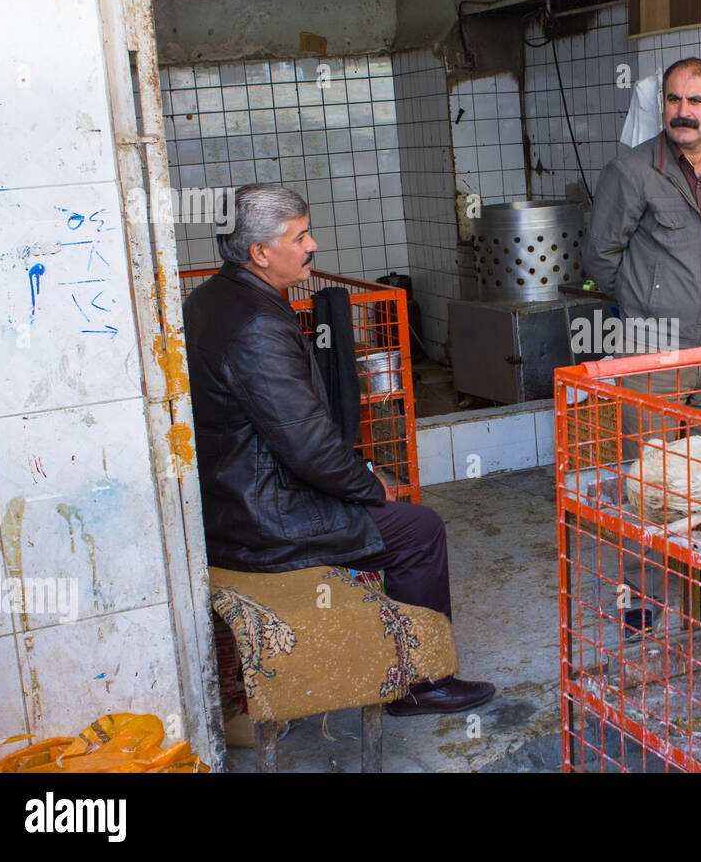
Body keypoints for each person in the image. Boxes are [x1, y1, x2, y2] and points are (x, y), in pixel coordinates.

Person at [183, 184, 494, 716]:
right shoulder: (256, 324)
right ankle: (422, 682)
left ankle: (390, 655)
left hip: (232, 497)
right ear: (260, 253)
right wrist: (370, 485)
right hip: (262, 520)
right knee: (418, 530)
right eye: (300, 235)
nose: (313, 245)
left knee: (386, 515)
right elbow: (308, 447)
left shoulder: (213, 299)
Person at [585, 57, 701, 457]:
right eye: (673, 99)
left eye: (695, 100)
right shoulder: (632, 171)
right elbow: (599, 256)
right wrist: (647, 304)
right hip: (652, 348)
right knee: (653, 480)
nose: (683, 112)